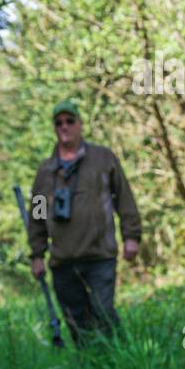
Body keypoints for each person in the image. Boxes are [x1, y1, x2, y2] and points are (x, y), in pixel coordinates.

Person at [27, 101, 142, 346]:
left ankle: (118, 355)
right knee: (75, 319)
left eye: (70, 121)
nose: (64, 126)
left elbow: (124, 197)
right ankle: (89, 363)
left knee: (102, 311)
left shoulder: (103, 158)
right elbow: (37, 215)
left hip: (99, 254)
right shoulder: (45, 171)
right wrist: (37, 254)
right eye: (58, 123)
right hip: (62, 259)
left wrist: (131, 236)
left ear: (80, 124)